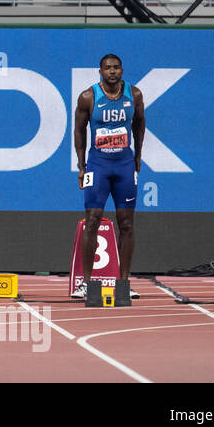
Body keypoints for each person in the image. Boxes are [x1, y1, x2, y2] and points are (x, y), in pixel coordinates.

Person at [72, 54, 145, 299]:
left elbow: (140, 125)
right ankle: (86, 282)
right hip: (98, 165)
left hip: (124, 165)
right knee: (92, 221)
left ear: (122, 69)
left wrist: (137, 156)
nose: (112, 72)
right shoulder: (88, 97)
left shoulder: (134, 95)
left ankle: (123, 282)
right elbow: (79, 132)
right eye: (107, 68)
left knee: (127, 224)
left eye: (116, 68)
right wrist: (82, 166)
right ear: (100, 71)